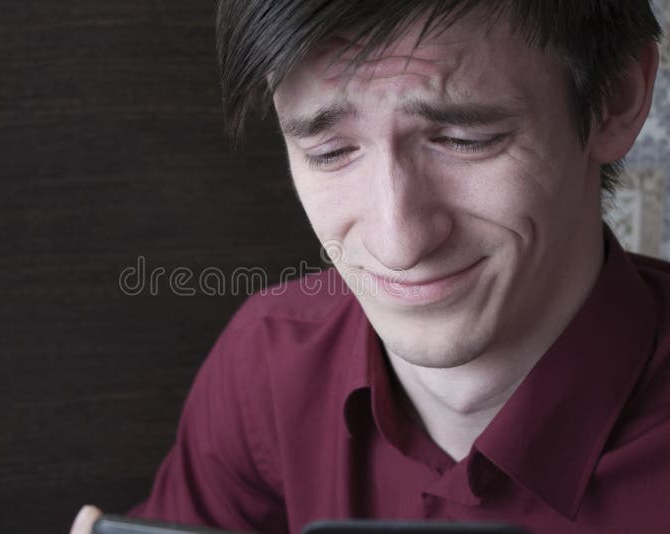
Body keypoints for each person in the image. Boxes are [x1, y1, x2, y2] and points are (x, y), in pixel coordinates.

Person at [72, 1, 670, 532]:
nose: (397, 243)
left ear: (615, 100)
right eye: (330, 153)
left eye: (464, 139)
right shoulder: (269, 363)